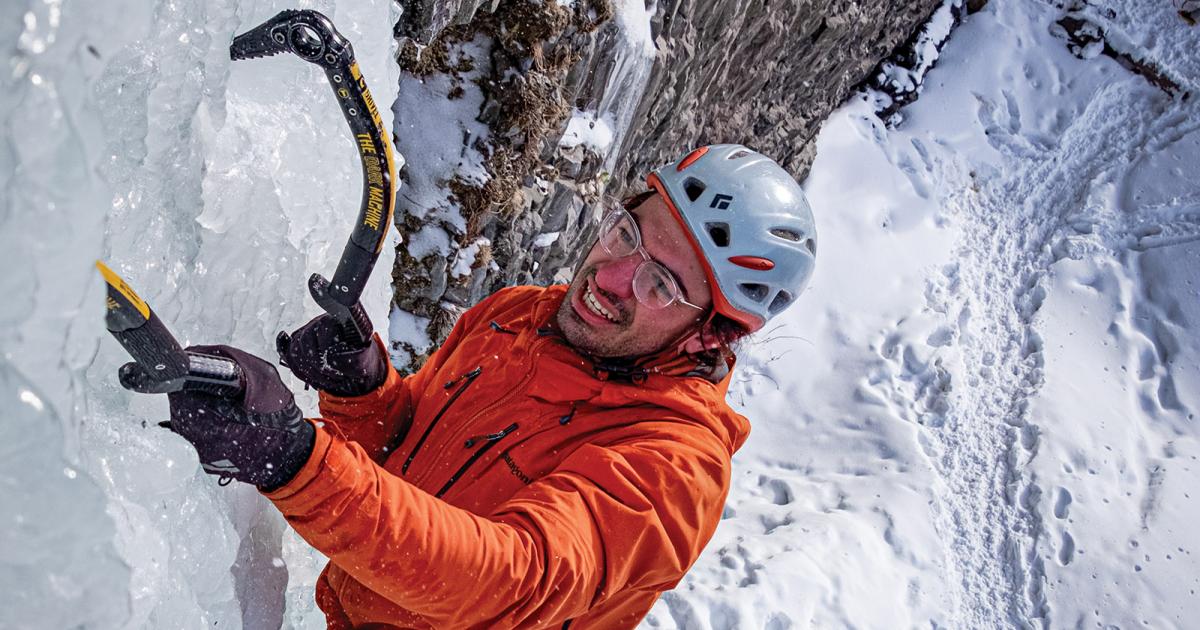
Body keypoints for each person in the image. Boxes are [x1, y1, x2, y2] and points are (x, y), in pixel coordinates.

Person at [125, 144, 817, 628]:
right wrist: (365, 392)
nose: (611, 277)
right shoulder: (518, 315)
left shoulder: (672, 472)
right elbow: (409, 458)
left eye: (660, 283)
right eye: (628, 234)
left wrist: (294, 458)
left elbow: (510, 581)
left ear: (709, 335)